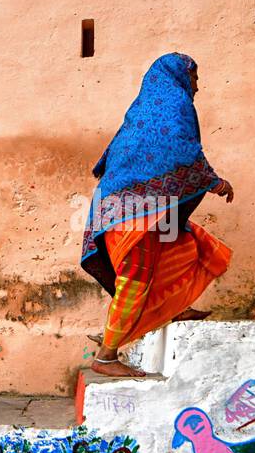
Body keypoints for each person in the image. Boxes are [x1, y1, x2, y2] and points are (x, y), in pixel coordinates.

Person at [80, 52, 233, 378]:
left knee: (188, 247)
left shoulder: (140, 113)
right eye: (195, 77)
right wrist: (215, 183)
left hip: (116, 212)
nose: (197, 86)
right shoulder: (176, 107)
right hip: (136, 215)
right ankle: (107, 355)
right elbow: (182, 153)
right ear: (180, 75)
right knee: (135, 281)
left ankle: (170, 310)